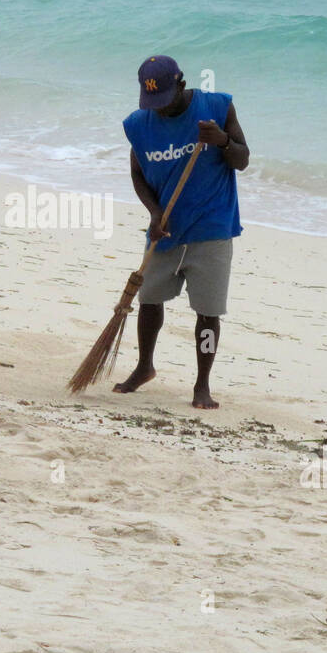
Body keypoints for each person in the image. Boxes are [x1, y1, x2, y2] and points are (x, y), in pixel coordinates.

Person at [114, 55, 248, 408]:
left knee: (208, 314)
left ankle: (202, 384)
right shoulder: (139, 125)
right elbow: (137, 173)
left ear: (182, 84)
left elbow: (242, 160)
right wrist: (154, 212)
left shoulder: (217, 107)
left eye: (165, 101)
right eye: (152, 102)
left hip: (212, 227)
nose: (159, 110)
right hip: (166, 230)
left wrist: (221, 141)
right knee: (149, 301)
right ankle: (144, 366)